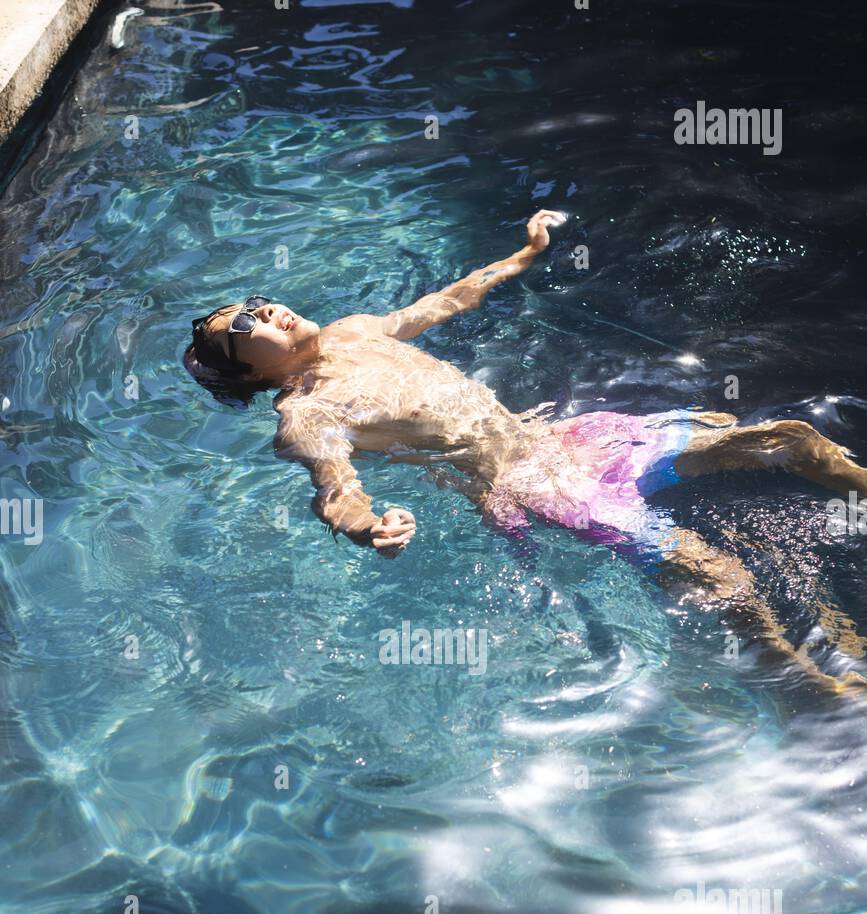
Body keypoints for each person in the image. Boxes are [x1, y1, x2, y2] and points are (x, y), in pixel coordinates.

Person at [184, 210, 867, 693]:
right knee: (723, 578)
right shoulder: (306, 415)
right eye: (243, 325)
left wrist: (524, 254)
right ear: (245, 372)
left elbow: (445, 301)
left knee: (787, 439)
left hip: (562, 441)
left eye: (255, 301)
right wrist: (369, 529)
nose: (263, 310)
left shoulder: (355, 331)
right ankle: (805, 691)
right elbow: (335, 488)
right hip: (535, 488)